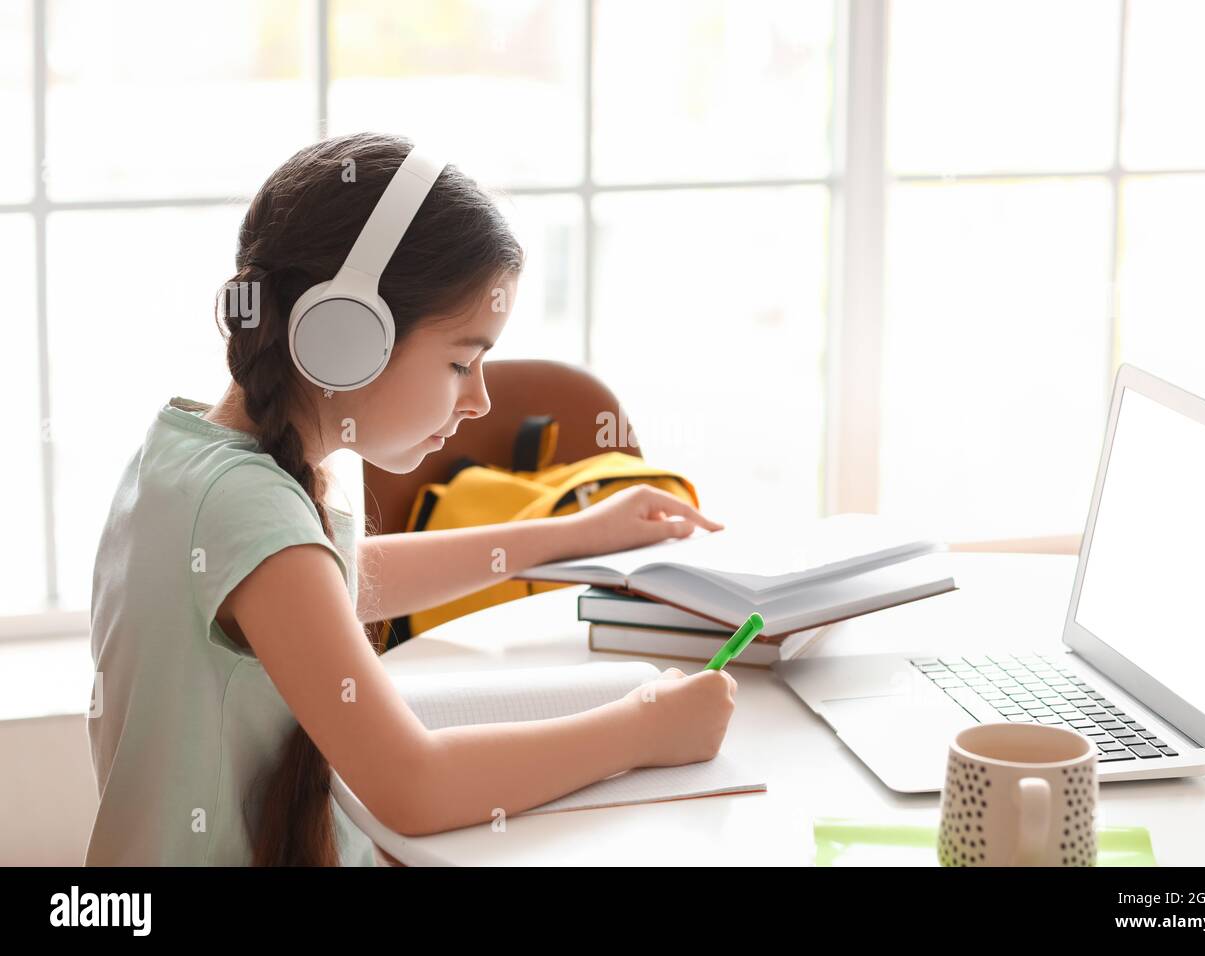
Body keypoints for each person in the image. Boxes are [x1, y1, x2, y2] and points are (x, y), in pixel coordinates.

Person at [85, 132, 736, 866]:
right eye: (463, 361)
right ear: (344, 336)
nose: (480, 400)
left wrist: (570, 534)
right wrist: (644, 731)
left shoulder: (187, 451)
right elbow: (413, 787)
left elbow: (337, 581)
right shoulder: (244, 507)